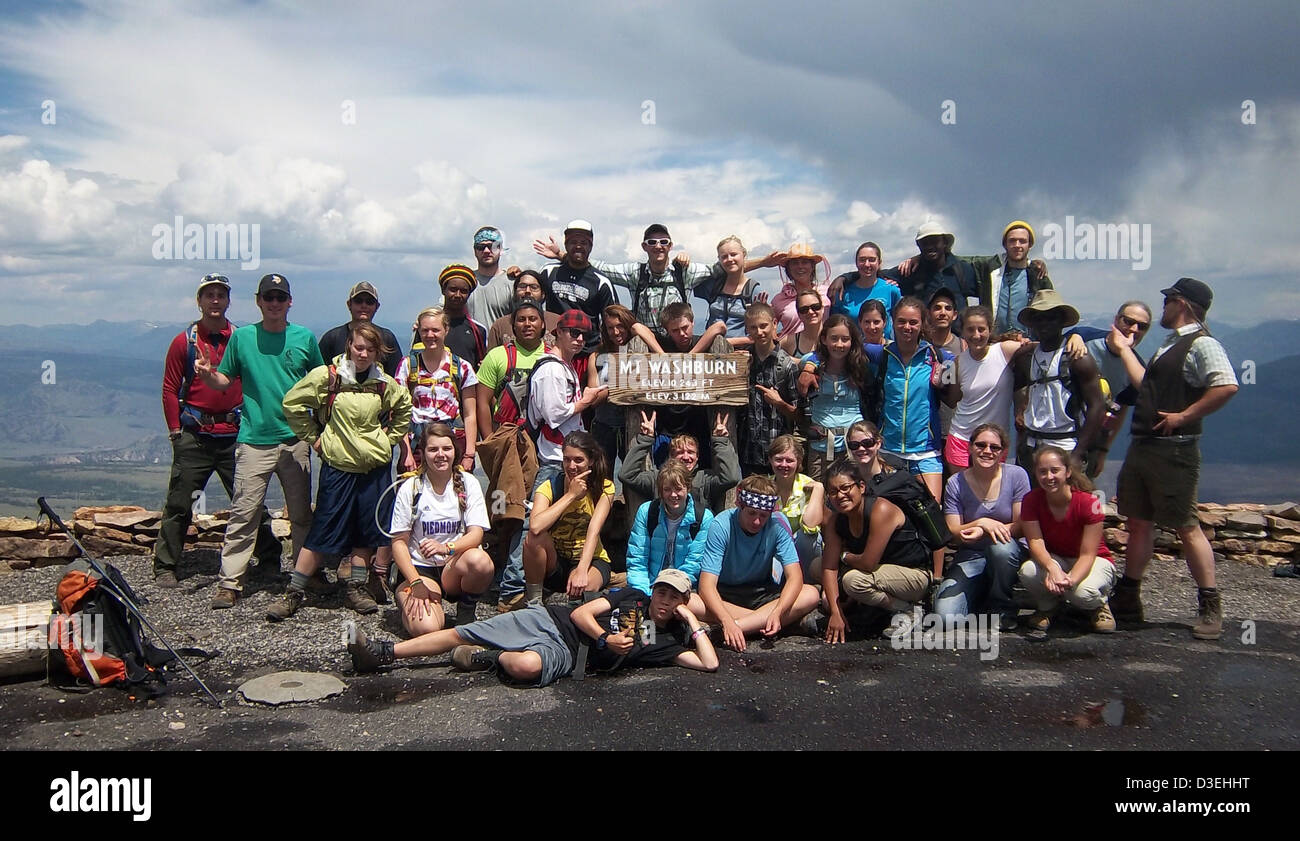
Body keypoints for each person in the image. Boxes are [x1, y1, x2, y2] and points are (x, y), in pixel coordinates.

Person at [1109, 278, 1239, 639]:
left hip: (1175, 448)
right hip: (1146, 446)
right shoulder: (1173, 343)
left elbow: (1226, 384)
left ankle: (1210, 604)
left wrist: (1184, 416)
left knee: (1186, 524)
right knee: (1139, 521)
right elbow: (1146, 386)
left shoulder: (1203, 344)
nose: (1162, 306)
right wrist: (1123, 351)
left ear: (1180, 303)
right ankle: (1129, 597)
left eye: (1167, 300)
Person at [194, 273, 322, 610]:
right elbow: (225, 380)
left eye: (281, 297)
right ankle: (230, 582)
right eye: (269, 297)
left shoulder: (305, 338)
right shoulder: (243, 338)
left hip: (296, 439)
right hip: (254, 439)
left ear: (289, 302)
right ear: (258, 301)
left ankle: (301, 577)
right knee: (244, 513)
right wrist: (208, 375)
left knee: (300, 515)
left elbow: (322, 384)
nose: (275, 303)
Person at [346, 568, 719, 684]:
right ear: (653, 592)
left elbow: (709, 664)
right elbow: (580, 615)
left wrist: (691, 621)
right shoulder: (633, 596)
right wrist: (607, 637)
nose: (664, 601)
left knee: (522, 666)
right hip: (553, 619)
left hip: (569, 654)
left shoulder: (669, 642)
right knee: (465, 631)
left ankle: (488, 658)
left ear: (682, 602)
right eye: (662, 593)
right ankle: (381, 653)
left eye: (674, 598)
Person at [270, 322, 412, 621]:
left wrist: (388, 440)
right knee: (324, 528)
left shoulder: (383, 383)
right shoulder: (328, 377)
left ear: (377, 353)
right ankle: (294, 591)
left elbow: (403, 408)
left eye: (370, 350)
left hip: (373, 466)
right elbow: (293, 404)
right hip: (339, 466)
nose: (363, 354)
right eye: (359, 347)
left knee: (365, 532)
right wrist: (315, 438)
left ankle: (355, 588)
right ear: (349, 345)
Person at [153, 274, 280, 588]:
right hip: (195, 433)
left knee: (249, 501)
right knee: (180, 502)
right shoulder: (184, 342)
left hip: (235, 432)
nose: (215, 301)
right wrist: (174, 432)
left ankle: (269, 558)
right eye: (209, 295)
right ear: (199, 301)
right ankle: (165, 565)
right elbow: (170, 388)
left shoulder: (240, 338)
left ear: (228, 300)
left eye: (220, 295)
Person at [475, 298, 552, 612]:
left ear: (542, 323)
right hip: (504, 445)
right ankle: (498, 575)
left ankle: (510, 583)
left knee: (526, 510)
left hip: (537, 447)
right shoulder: (497, 357)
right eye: (522, 319)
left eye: (533, 319)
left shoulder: (551, 356)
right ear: (513, 323)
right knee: (500, 509)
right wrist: (488, 441)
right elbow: (483, 400)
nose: (528, 324)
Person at [386, 423, 494, 636]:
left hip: (451, 567)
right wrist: (415, 581)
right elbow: (398, 542)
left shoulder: (468, 483)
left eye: (447, 448)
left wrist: (446, 548)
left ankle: (466, 609)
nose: (441, 455)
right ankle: (405, 593)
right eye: (433, 449)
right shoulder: (411, 487)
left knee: (481, 561)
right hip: (420, 568)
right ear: (423, 453)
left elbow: (476, 534)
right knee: (426, 628)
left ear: (455, 450)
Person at [696, 475, 821, 651]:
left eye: (763, 516)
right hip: (726, 594)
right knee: (689, 600)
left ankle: (739, 628)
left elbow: (795, 577)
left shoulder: (778, 523)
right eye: (752, 513)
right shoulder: (722, 524)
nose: (757, 521)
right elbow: (707, 586)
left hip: (761, 592)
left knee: (810, 593)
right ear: (740, 506)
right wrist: (726, 618)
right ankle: (771, 623)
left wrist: (777, 612)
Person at [820, 458, 935, 642]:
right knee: (816, 566)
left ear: (862, 487)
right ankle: (871, 606)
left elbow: (867, 562)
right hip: (881, 572)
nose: (840, 495)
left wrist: (844, 556)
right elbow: (828, 566)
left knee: (853, 581)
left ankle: (908, 610)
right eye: (833, 492)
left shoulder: (880, 509)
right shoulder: (837, 519)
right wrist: (836, 612)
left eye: (846, 488)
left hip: (914, 575)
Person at [535, 223, 715, 334]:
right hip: (643, 342)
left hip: (678, 339)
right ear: (644, 247)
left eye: (664, 242)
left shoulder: (685, 271)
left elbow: (724, 268)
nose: (658, 246)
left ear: (671, 246)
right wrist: (561, 255)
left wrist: (740, 260)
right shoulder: (635, 272)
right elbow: (597, 267)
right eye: (652, 242)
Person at [935, 423, 1030, 629]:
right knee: (945, 617)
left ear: (1003, 452)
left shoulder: (1017, 476)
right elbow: (953, 531)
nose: (987, 451)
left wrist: (988, 530)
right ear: (970, 448)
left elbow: (1022, 525)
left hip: (1008, 551)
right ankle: (982, 594)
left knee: (1001, 549)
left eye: (994, 447)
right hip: (972, 556)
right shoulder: (955, 483)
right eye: (981, 445)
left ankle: (1002, 606)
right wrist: (981, 523)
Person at [1017, 446, 1116, 638]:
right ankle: (1049, 607)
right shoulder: (1031, 500)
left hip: (1094, 559)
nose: (1049, 477)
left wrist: (1069, 581)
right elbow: (1035, 542)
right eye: (1043, 472)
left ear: (1068, 472)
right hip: (1057, 558)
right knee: (1028, 571)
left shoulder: (1089, 503)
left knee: (1080, 593)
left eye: (1055, 470)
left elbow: (1088, 554)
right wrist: (1053, 569)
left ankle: (1099, 605)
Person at [1012, 289, 1106, 478]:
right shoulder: (1026, 357)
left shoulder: (1077, 358)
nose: (1044, 323)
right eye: (1039, 318)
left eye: (1051, 318)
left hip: (1066, 446)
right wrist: (1020, 411)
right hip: (1032, 446)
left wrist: (1079, 453)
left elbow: (1097, 406)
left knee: (1066, 505)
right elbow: (1017, 385)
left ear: (1062, 322)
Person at [523, 431, 615, 603]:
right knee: (533, 539)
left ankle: (567, 602)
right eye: (567, 459)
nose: (572, 466)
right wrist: (570, 496)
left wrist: (581, 569)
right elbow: (535, 526)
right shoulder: (549, 487)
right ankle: (533, 600)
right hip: (556, 560)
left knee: (583, 588)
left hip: (590, 558)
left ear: (591, 461)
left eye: (578, 460)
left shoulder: (605, 488)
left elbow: (593, 531)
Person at [395, 306, 479, 474]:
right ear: (418, 331)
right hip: (418, 444)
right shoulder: (407, 366)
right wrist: (406, 452)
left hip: (452, 443)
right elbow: (399, 413)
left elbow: (470, 414)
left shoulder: (462, 367)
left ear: (446, 330)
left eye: (435, 330)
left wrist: (469, 454)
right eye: (425, 330)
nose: (430, 335)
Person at [946, 305, 1030, 470]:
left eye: (981, 329)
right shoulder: (958, 362)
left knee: (993, 493)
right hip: (961, 438)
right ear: (962, 332)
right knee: (962, 493)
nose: (976, 335)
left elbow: (1043, 349)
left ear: (990, 330)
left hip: (995, 442)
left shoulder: (1005, 350)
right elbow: (953, 400)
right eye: (970, 330)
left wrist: (1075, 337)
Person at [625, 459, 713, 617]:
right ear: (660, 491)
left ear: (688, 487)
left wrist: (671, 594)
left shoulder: (703, 518)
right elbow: (637, 558)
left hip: (684, 588)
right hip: (650, 585)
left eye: (678, 489)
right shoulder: (647, 512)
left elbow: (695, 563)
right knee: (644, 625)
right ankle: (647, 639)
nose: (673, 495)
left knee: (696, 612)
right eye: (667, 490)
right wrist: (645, 593)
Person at [588, 303, 664, 476]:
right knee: (601, 476)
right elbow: (593, 399)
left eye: (620, 326)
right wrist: (620, 384)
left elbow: (642, 331)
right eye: (610, 328)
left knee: (636, 475)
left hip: (635, 425)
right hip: (604, 426)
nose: (615, 332)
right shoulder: (597, 356)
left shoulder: (640, 349)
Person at [620, 410, 739, 516]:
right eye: (680, 452)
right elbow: (627, 475)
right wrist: (645, 440)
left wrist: (721, 442)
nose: (686, 457)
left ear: (697, 456)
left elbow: (731, 478)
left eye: (691, 452)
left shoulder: (705, 479)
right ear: (671, 456)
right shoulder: (657, 478)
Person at [1081, 301, 1151, 475]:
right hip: (1056, 431)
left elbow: (1120, 410)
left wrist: (1103, 451)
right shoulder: (1085, 337)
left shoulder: (1135, 368)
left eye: (1141, 326)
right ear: (1116, 319)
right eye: (1128, 321)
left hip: (1091, 441)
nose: (1134, 329)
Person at [801, 314, 873, 481]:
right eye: (834, 338)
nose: (839, 344)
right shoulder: (810, 363)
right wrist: (810, 365)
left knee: (851, 493)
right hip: (820, 443)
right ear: (824, 339)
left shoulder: (861, 364)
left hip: (854, 445)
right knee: (817, 493)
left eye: (845, 339)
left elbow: (885, 351)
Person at [737, 302, 801, 477]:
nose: (759, 332)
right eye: (753, 327)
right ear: (747, 330)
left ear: (775, 324)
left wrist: (779, 403)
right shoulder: (744, 362)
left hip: (779, 456)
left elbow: (800, 415)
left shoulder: (786, 365)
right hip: (749, 452)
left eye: (763, 326)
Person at [538, 220, 617, 352]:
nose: (578, 246)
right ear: (566, 244)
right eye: (573, 242)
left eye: (583, 243)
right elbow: (531, 300)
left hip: (586, 352)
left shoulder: (601, 282)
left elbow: (613, 321)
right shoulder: (549, 272)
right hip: (553, 348)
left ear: (591, 246)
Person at [694, 235, 777, 345]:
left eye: (733, 254)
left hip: (742, 350)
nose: (729, 259)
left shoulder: (753, 290)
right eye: (724, 257)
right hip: (711, 351)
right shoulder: (714, 286)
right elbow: (689, 282)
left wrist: (725, 342)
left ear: (744, 255)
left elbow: (763, 331)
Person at [981, 221, 1053, 336]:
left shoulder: (1038, 276)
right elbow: (963, 262)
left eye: (1022, 241)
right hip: (996, 342)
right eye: (1012, 240)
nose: (1017, 245)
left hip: (1030, 343)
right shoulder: (990, 272)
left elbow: (1052, 309)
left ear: (1030, 245)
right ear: (1005, 244)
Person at [317, 281, 403, 377]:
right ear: (349, 304)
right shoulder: (332, 338)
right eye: (358, 301)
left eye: (369, 302)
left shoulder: (387, 338)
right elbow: (320, 375)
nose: (364, 305)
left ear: (377, 306)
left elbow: (396, 375)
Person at [768, 435, 824, 581]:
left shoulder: (809, 485)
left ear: (798, 462)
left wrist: (818, 489)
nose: (784, 465)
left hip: (801, 549)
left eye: (790, 460)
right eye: (779, 459)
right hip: (773, 546)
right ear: (770, 460)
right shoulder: (764, 487)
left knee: (810, 537)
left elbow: (811, 525)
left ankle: (805, 581)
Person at [829, 242, 901, 339]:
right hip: (854, 351)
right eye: (862, 260)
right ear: (856, 263)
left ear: (879, 262)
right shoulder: (844, 293)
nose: (867, 264)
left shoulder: (891, 290)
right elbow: (834, 325)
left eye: (872, 260)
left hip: (884, 350)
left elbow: (900, 322)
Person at [770, 242, 832, 337]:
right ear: (789, 269)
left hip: (824, 348)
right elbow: (769, 329)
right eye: (795, 263)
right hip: (791, 350)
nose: (800, 266)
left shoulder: (827, 293)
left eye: (804, 262)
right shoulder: (779, 300)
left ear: (812, 267)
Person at [486, 270, 560, 350]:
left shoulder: (557, 322)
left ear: (543, 294)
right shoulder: (500, 325)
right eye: (522, 286)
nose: (527, 291)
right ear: (515, 292)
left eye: (534, 287)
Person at [436, 264, 489, 368]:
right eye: (453, 289)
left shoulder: (478, 331)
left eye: (464, 291)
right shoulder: (429, 327)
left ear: (469, 294)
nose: (457, 295)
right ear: (443, 290)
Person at [467, 226, 516, 327]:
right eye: (480, 247)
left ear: (500, 249)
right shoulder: (465, 282)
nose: (486, 251)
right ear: (475, 250)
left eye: (491, 246)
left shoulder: (512, 283)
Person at [780, 289, 825, 357]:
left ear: (822, 308)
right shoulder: (788, 342)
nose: (810, 312)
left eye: (815, 307)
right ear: (798, 314)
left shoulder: (834, 338)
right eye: (804, 309)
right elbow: (768, 352)